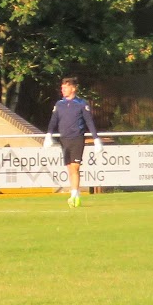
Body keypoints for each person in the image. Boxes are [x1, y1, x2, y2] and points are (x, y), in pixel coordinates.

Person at [45, 76, 100, 207]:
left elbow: (89, 121)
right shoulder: (59, 104)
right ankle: (76, 193)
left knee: (75, 168)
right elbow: (53, 121)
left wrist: (96, 139)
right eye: (62, 87)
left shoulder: (81, 104)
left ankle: (74, 195)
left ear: (73, 88)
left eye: (65, 87)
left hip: (77, 138)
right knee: (70, 168)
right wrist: (48, 135)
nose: (62, 89)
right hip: (64, 139)